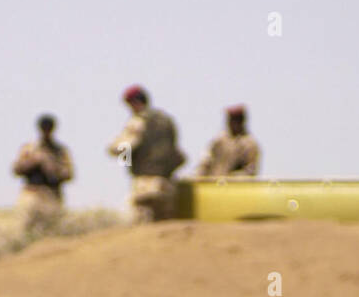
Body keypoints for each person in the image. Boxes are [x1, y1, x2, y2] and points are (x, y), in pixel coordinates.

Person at [106, 86, 185, 223]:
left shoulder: (138, 121)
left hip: (145, 182)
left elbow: (125, 146)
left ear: (135, 102)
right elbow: (178, 154)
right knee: (165, 228)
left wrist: (122, 158)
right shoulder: (167, 121)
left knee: (142, 228)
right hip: (167, 182)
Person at [12, 114, 74, 235]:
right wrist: (34, 161)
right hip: (32, 194)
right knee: (25, 230)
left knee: (53, 231)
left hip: (51, 195)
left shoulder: (60, 151)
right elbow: (16, 169)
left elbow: (68, 173)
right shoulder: (29, 148)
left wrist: (52, 167)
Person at [197, 105, 260, 177]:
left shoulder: (249, 144)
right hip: (213, 184)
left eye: (235, 120)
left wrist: (231, 177)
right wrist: (200, 174)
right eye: (229, 119)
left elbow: (250, 171)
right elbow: (206, 161)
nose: (230, 123)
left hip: (234, 186)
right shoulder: (219, 140)